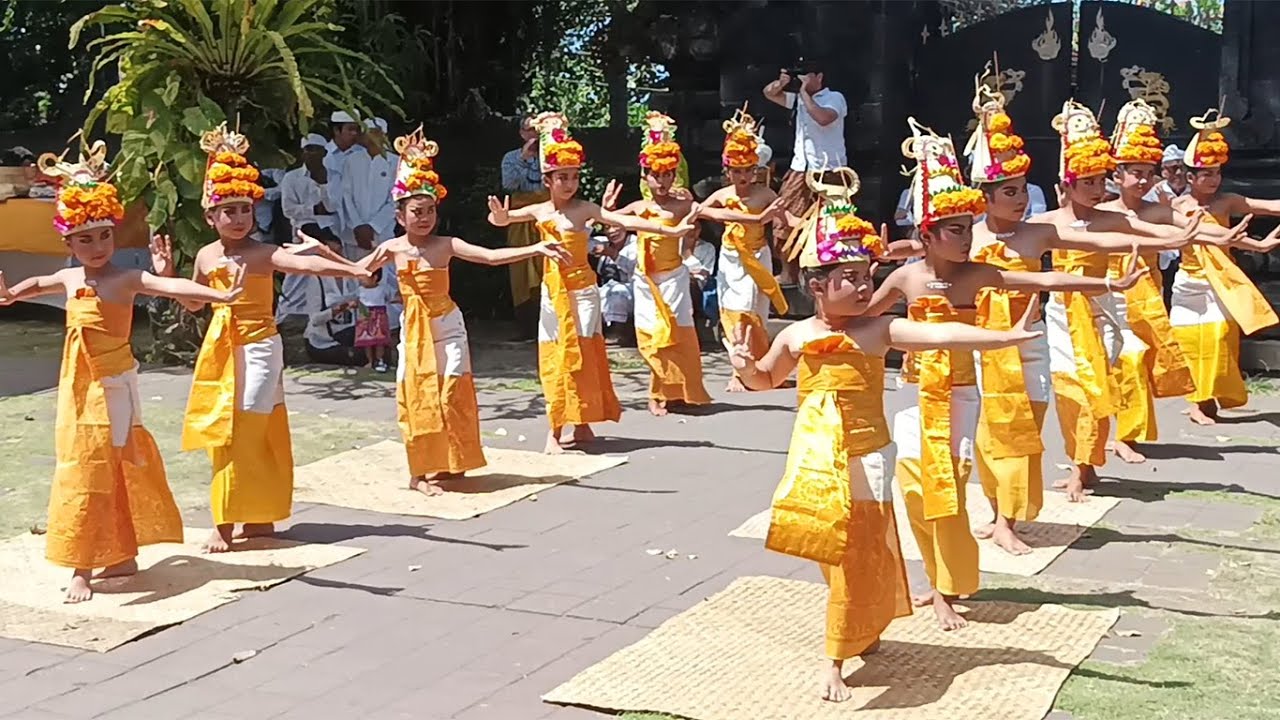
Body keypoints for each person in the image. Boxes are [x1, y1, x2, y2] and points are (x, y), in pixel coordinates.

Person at [724, 168, 1041, 701]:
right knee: (832, 552)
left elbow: (942, 334)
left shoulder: (879, 330)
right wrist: (743, 365)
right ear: (818, 286)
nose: (863, 287)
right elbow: (764, 380)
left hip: (867, 459)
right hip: (814, 460)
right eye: (848, 277)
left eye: (866, 277)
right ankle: (862, 625)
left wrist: (1001, 336)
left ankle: (835, 656)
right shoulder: (797, 335)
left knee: (858, 550)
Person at [873, 119, 1140, 624]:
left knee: (948, 489)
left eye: (967, 227)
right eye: (955, 230)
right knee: (915, 490)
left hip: (960, 395)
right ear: (927, 235)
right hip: (914, 396)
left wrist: (1110, 285)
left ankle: (949, 587)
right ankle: (934, 578)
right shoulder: (905, 278)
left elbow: (1048, 279)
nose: (966, 238)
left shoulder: (979, 274)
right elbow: (863, 321)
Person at [0, 142, 241, 602]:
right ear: (68, 243)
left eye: (104, 236)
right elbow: (40, 283)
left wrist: (219, 296)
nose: (97, 247)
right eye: (85, 239)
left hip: (113, 389)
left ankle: (91, 564)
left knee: (97, 468)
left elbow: (169, 285)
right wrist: (13, 293)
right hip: (78, 390)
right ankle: (110, 557)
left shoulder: (126, 279)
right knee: (88, 468)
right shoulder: (70, 278)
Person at [1035, 100, 1245, 497]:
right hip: (1063, 316)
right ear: (1066, 185)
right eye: (1087, 182)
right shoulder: (1046, 223)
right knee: (1070, 392)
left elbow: (1163, 233)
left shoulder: (1111, 219)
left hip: (1104, 311)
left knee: (1096, 388)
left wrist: (1227, 237)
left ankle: (1086, 466)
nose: (1097, 189)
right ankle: (1083, 462)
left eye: (1099, 181)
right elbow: (1003, 245)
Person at [348, 127, 572, 495]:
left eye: (430, 211)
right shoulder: (392, 248)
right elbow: (357, 270)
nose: (424, 218)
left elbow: (490, 256)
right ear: (401, 216)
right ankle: (420, 472)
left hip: (448, 325)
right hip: (415, 331)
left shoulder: (446, 244)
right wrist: (319, 255)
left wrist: (535, 249)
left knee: (454, 391)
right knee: (419, 396)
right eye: (416, 212)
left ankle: (452, 461)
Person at [180, 123, 370, 553]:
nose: (238, 218)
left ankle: (248, 516)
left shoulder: (264, 253)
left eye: (244, 210)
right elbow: (193, 303)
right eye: (228, 211)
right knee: (226, 430)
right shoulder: (206, 256)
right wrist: (165, 272)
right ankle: (234, 517)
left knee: (250, 428)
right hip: (220, 350)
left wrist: (351, 269)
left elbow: (308, 266)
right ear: (210, 217)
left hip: (260, 347)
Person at [486, 111, 695, 453]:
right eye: (562, 177)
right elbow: (503, 220)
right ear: (547, 180)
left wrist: (670, 230)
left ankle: (581, 422)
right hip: (553, 293)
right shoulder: (540, 211)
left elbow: (625, 221)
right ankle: (556, 429)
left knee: (582, 353)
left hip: (583, 292)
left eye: (573, 177)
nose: (569, 184)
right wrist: (498, 216)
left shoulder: (584, 209)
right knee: (556, 354)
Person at [1097, 100, 1276, 460]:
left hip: (1148, 297)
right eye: (1136, 173)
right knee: (1120, 366)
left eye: (1149, 173)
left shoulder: (1160, 211)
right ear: (1117, 176)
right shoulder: (1102, 213)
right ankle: (1111, 440)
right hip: (1107, 299)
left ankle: (1133, 432)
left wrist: (1244, 242)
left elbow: (1195, 233)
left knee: (1143, 362)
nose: (1144, 180)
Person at [1170, 108, 1280, 425]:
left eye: (1217, 173)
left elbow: (1269, 206)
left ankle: (1208, 399)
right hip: (1188, 281)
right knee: (1190, 342)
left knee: (1219, 339)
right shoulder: (1176, 206)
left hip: (1221, 283)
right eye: (1206, 174)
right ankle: (1198, 401)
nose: (1213, 179)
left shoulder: (1226, 201)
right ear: (1190, 178)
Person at [601, 112, 710, 415]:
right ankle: (657, 393)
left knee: (678, 335)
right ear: (645, 177)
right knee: (651, 336)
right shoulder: (639, 207)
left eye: (667, 175)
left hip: (674, 278)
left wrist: (760, 216)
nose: (661, 181)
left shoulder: (684, 205)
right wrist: (607, 209)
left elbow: (713, 213)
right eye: (655, 175)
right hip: (645, 280)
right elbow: (607, 222)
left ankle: (680, 393)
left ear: (675, 175)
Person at [698, 106, 788, 391]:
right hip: (731, 258)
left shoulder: (765, 193)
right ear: (727, 172)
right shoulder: (723, 195)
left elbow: (787, 218)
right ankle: (737, 370)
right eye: (737, 171)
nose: (743, 177)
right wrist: (745, 217)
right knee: (734, 310)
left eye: (748, 171)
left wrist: (821, 220)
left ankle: (757, 368)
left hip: (758, 257)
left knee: (754, 311)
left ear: (756, 170)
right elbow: (699, 211)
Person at [762, 58, 849, 285]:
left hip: (829, 169)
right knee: (783, 217)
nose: (802, 79)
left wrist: (803, 92)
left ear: (819, 77)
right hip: (800, 168)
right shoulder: (799, 100)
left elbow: (823, 118)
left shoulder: (834, 98)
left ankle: (831, 271)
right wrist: (782, 83)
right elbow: (769, 93)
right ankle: (788, 272)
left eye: (807, 75)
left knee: (832, 221)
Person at [277, 133, 338, 321]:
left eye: (315, 150)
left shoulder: (335, 176)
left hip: (331, 232)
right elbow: (288, 209)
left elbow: (335, 207)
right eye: (307, 150)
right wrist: (313, 209)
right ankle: (285, 316)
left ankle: (331, 315)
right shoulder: (291, 178)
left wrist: (324, 185)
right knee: (296, 276)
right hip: (304, 232)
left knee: (330, 276)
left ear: (324, 153)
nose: (310, 154)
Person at [501, 115, 552, 325]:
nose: (535, 134)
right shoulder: (511, 157)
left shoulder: (553, 154)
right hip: (520, 219)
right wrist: (524, 158)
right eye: (530, 130)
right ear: (522, 133)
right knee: (520, 266)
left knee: (548, 263)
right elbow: (509, 185)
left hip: (547, 217)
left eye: (538, 129)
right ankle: (525, 324)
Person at [324, 110, 376, 259]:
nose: (355, 134)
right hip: (329, 223)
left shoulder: (365, 154)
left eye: (357, 129)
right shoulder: (323, 153)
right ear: (337, 130)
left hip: (360, 224)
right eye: (350, 129)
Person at [354, 267, 394, 372]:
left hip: (379, 317)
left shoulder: (383, 289)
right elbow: (357, 301)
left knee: (379, 341)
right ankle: (370, 361)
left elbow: (390, 298)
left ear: (375, 277)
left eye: (364, 276)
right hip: (365, 317)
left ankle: (380, 360)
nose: (361, 279)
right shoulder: (360, 290)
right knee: (366, 341)